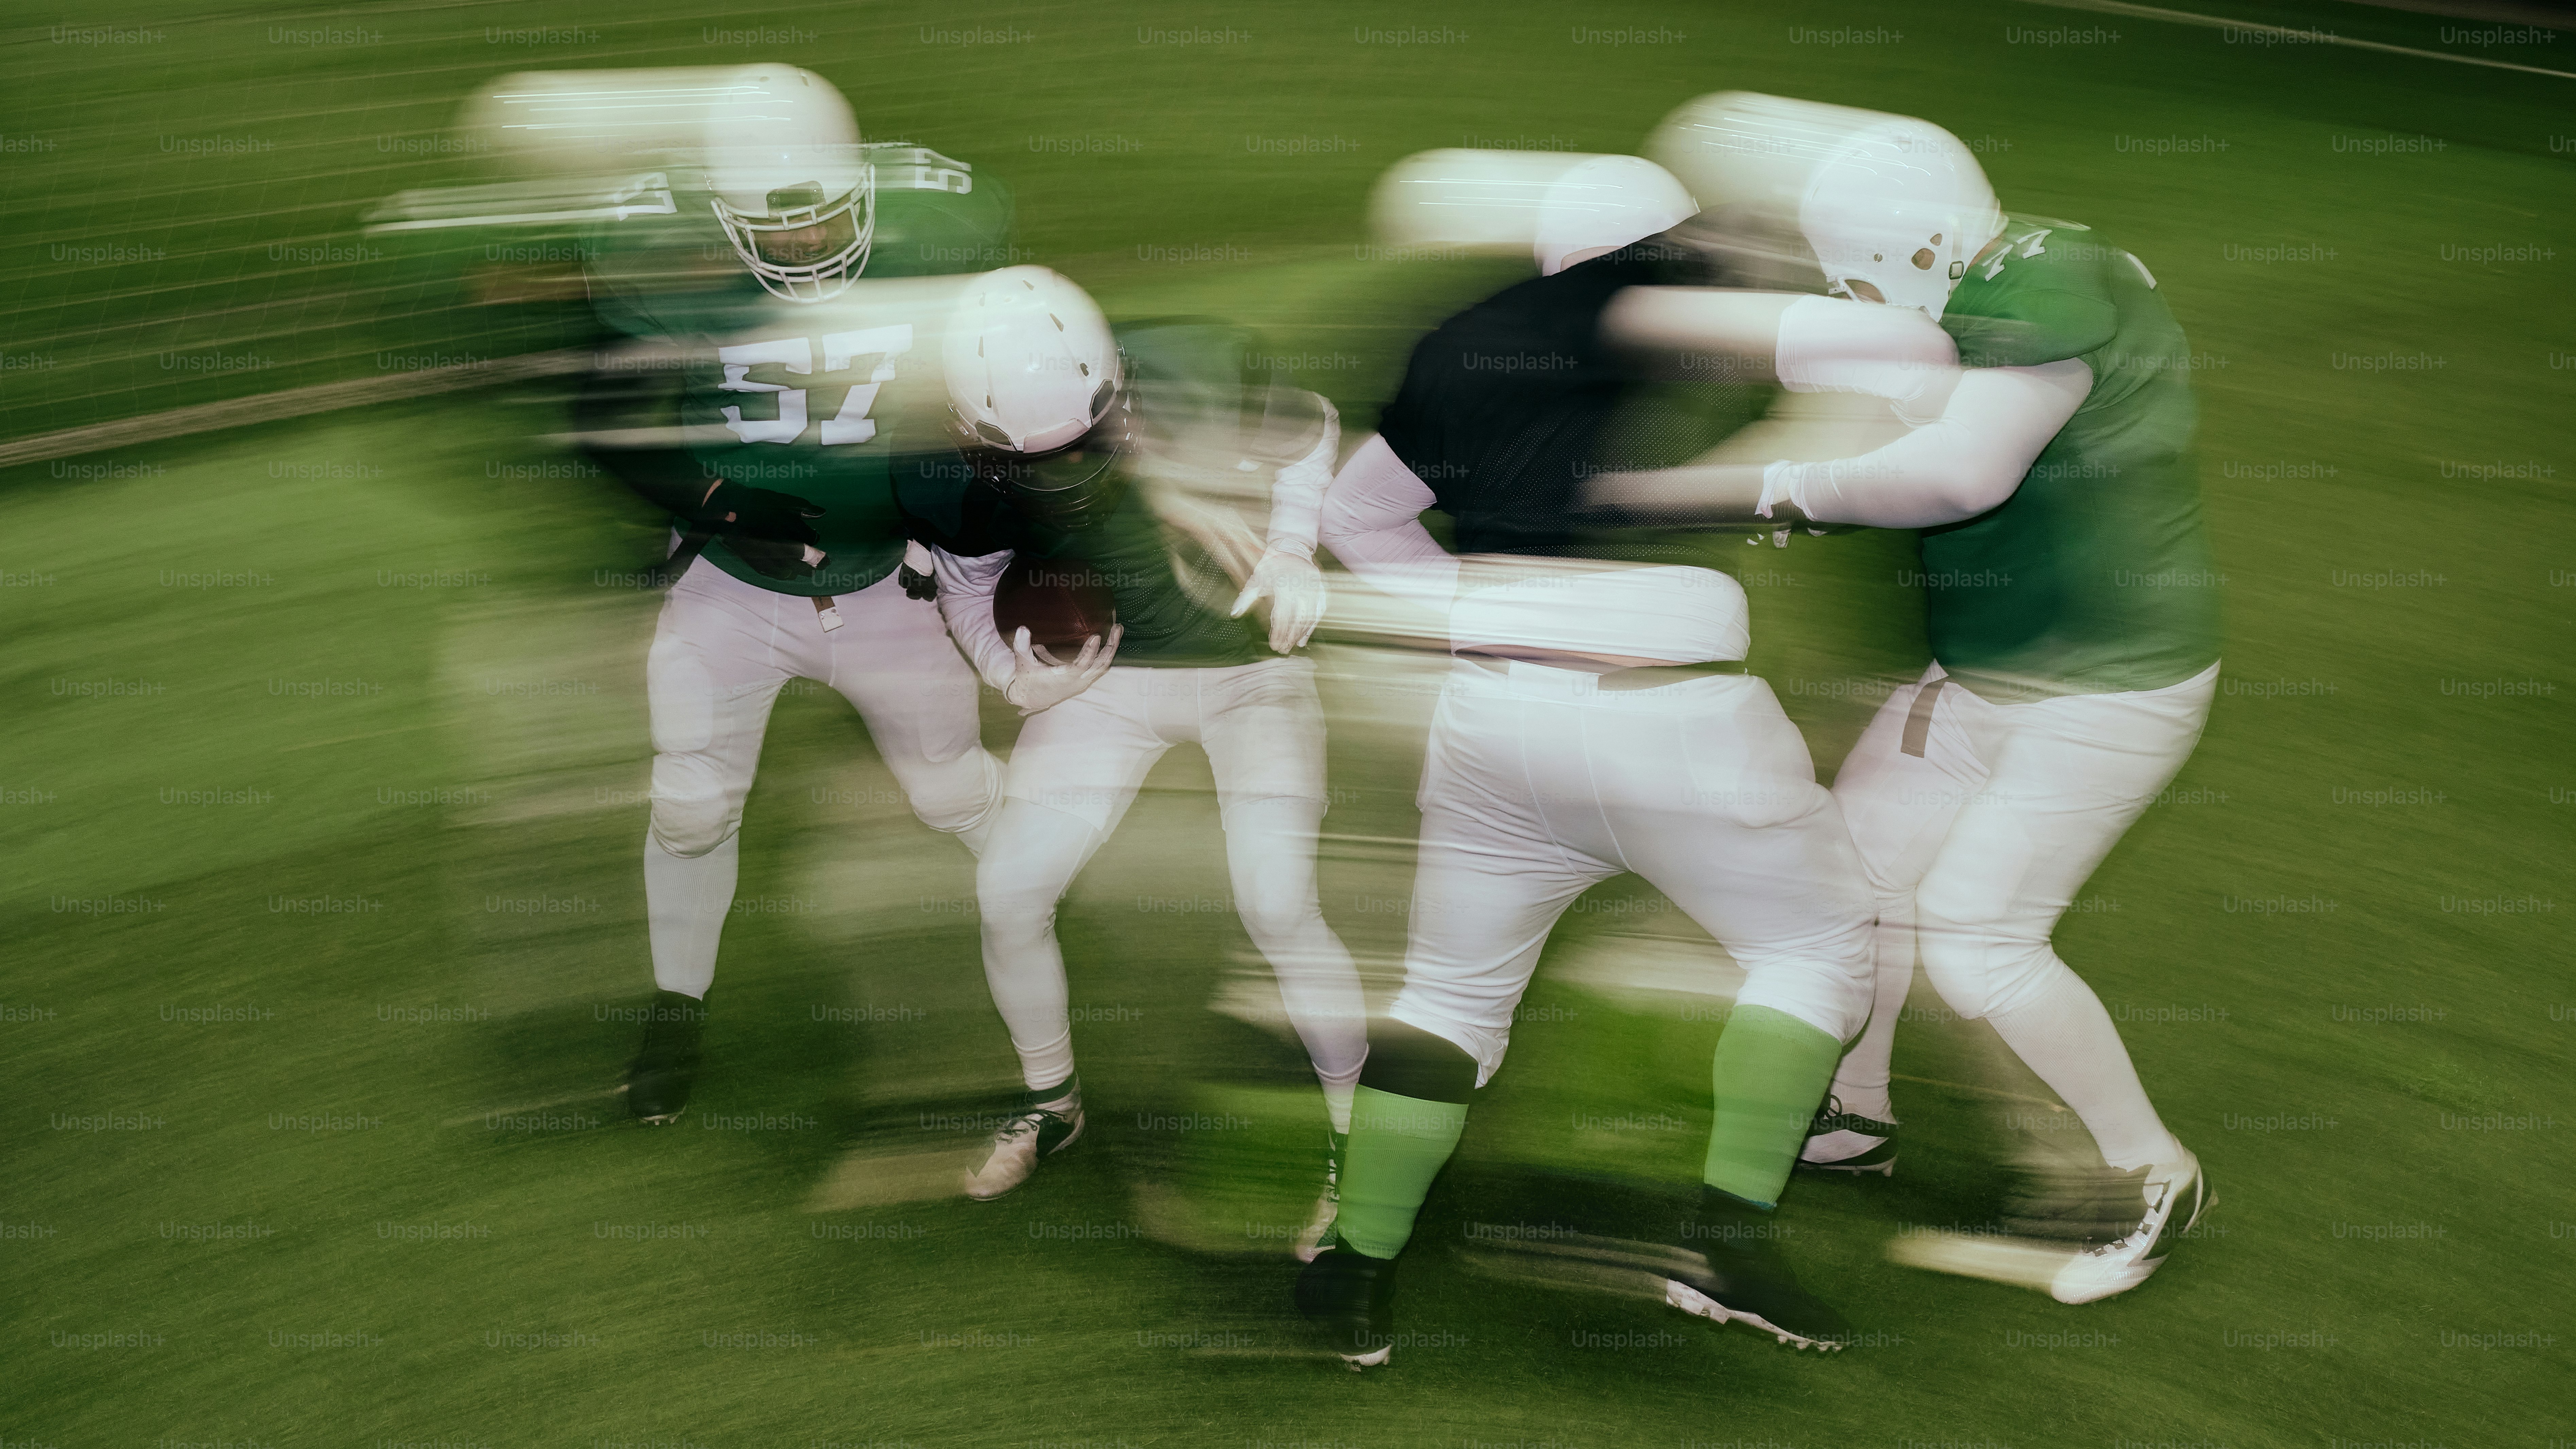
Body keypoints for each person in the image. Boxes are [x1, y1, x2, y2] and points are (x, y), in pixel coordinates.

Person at [1284, 176, 1957, 1366]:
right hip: (1671, 716)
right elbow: (1887, 343)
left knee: (1446, 999)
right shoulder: (1661, 298)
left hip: (1491, 716)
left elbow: (1357, 514)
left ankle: (1354, 1275)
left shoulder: (1465, 338)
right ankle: (1727, 1242)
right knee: (1816, 947)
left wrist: (1487, 611)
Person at [1584, 117, 2223, 1305]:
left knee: (1977, 937)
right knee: (1847, 876)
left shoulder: (2045, 289)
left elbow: (1957, 474)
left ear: (1918, 249)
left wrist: (1766, 486)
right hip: (1985, 671)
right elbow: (1871, 414)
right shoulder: (2004, 277)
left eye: (1861, 273)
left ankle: (2148, 1168)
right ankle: (1854, 1113)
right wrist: (1741, 476)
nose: (1856, 297)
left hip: (2108, 688)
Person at [569, 66, 1016, 1123]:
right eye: (780, 230)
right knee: (687, 805)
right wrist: (717, 500)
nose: (809, 242)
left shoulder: (938, 232)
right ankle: (676, 1008)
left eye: (826, 220)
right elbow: (601, 418)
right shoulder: (664, 263)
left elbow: (1001, 383)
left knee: (955, 796)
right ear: (719, 218)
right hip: (730, 585)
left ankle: (1037, 905)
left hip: (885, 583)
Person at [907, 268, 1367, 1223]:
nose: (1062, 474)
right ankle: (1051, 1103)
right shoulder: (944, 466)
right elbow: (965, 579)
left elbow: (1311, 427)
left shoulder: (1196, 365)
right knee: (1008, 892)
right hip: (1103, 683)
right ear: (966, 425)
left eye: (1083, 441)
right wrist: (1008, 675)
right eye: (1031, 460)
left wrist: (1288, 547)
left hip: (1247, 670)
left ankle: (1359, 1137)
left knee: (1277, 905)